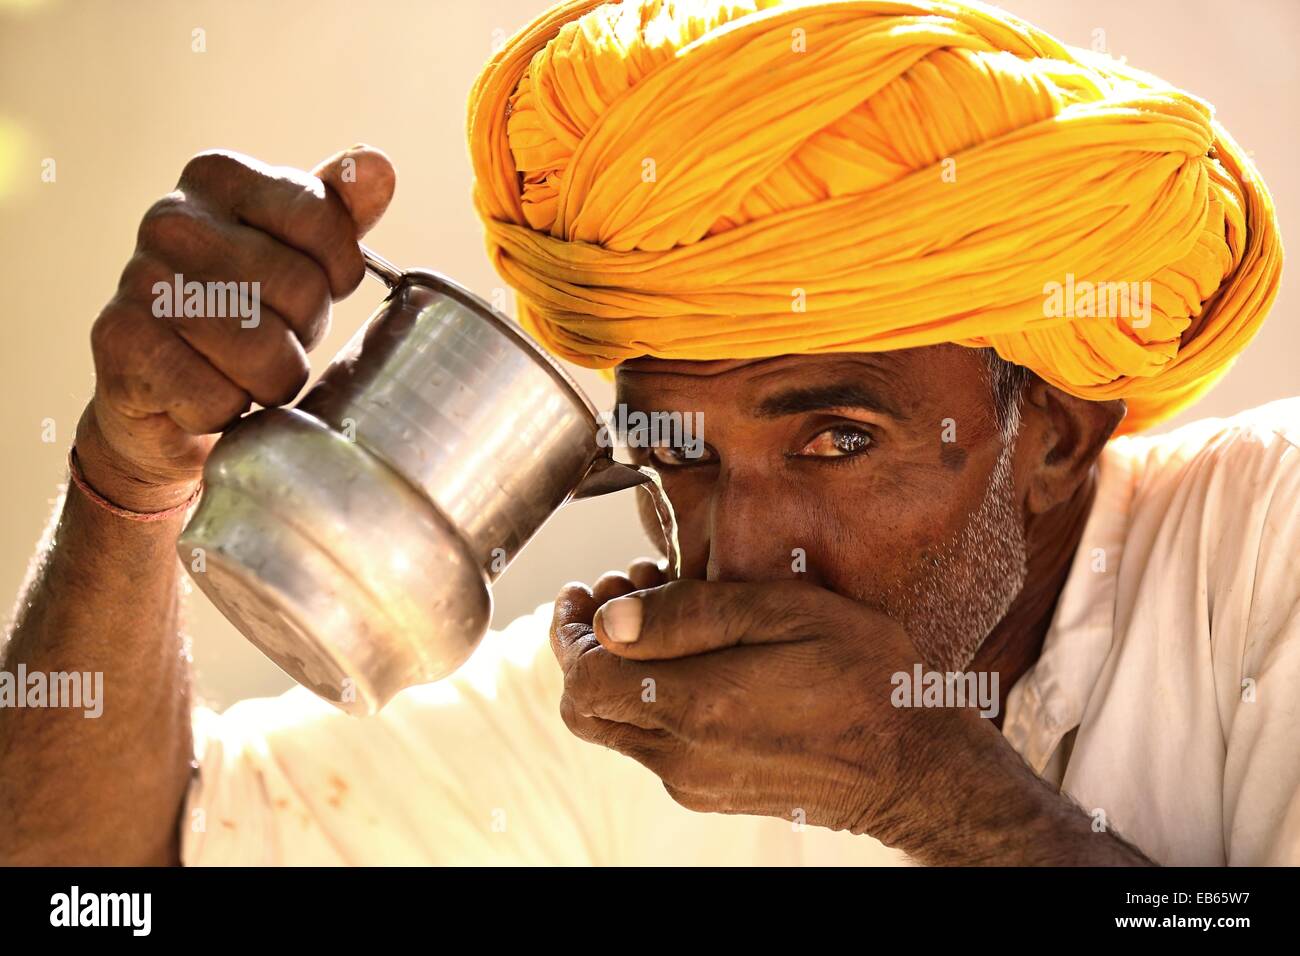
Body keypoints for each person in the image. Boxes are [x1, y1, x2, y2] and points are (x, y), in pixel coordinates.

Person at [1, 0, 1294, 866]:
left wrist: (927, 788)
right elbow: (101, 871)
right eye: (676, 452)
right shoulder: (642, 729)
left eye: (836, 441)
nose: (734, 556)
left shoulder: (1267, 550)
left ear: (1057, 437)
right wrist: (128, 480)